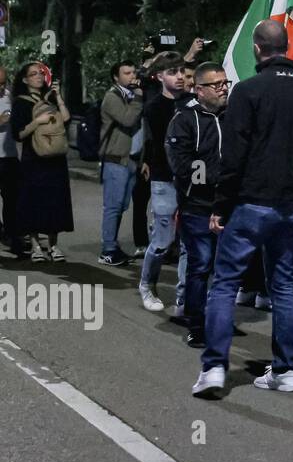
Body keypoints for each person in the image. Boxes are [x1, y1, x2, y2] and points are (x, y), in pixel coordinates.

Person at [192, 20, 293, 396]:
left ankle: (215, 367)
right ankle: (286, 369)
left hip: (250, 203)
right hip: (291, 206)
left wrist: (221, 204)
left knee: (224, 284)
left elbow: (233, 157)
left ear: (257, 49)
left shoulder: (247, 93)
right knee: (283, 287)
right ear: (287, 47)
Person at [165, 62, 228, 348]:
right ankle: (196, 324)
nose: (223, 88)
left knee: (225, 268)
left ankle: (219, 320)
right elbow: (183, 165)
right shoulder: (185, 120)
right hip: (197, 206)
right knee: (200, 265)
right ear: (200, 90)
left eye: (225, 83)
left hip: (229, 205)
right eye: (216, 85)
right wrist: (220, 176)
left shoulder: (232, 117)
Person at [138, 52, 188, 313]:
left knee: (189, 243)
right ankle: (147, 284)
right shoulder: (154, 108)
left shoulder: (192, 102)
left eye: (182, 71)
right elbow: (159, 144)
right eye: (172, 72)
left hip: (191, 181)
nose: (179, 77)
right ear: (159, 77)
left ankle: (184, 296)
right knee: (162, 241)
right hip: (164, 180)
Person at [9, 63, 73, 260]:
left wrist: (59, 97)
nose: (38, 77)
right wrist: (37, 122)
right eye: (33, 74)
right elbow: (18, 134)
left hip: (56, 158)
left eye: (40, 73)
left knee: (55, 201)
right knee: (34, 202)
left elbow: (66, 119)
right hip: (33, 160)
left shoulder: (50, 98)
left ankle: (53, 245)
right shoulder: (21, 102)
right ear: (25, 79)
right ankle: (36, 245)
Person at [98, 61, 145, 266]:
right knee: (113, 207)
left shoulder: (130, 96)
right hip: (115, 160)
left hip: (131, 160)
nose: (132, 75)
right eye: (127, 73)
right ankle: (108, 250)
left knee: (121, 206)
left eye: (134, 71)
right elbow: (127, 119)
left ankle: (113, 246)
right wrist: (140, 97)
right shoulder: (112, 97)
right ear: (116, 77)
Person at [0, 65, 18, 250]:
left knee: (11, 199)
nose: (1, 87)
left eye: (4, 82)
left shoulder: (9, 95)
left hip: (9, 156)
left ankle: (12, 235)